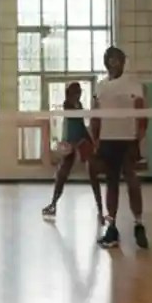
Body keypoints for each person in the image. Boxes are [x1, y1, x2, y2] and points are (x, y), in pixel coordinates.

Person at [90, 46, 148, 249]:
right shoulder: (100, 86)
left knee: (132, 180)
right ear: (106, 62)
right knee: (111, 182)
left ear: (123, 62)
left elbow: (142, 113)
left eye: (118, 59)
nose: (115, 62)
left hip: (127, 139)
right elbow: (95, 115)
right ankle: (112, 227)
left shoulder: (133, 84)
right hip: (107, 140)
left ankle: (139, 224)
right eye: (111, 59)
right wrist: (95, 139)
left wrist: (138, 138)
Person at [41, 82, 104, 223]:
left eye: (79, 91)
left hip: (81, 140)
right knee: (62, 174)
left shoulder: (79, 105)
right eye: (75, 92)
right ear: (69, 93)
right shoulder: (67, 105)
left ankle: (100, 210)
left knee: (93, 174)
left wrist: (89, 141)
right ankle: (53, 204)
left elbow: (80, 124)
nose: (78, 94)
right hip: (71, 142)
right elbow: (72, 119)